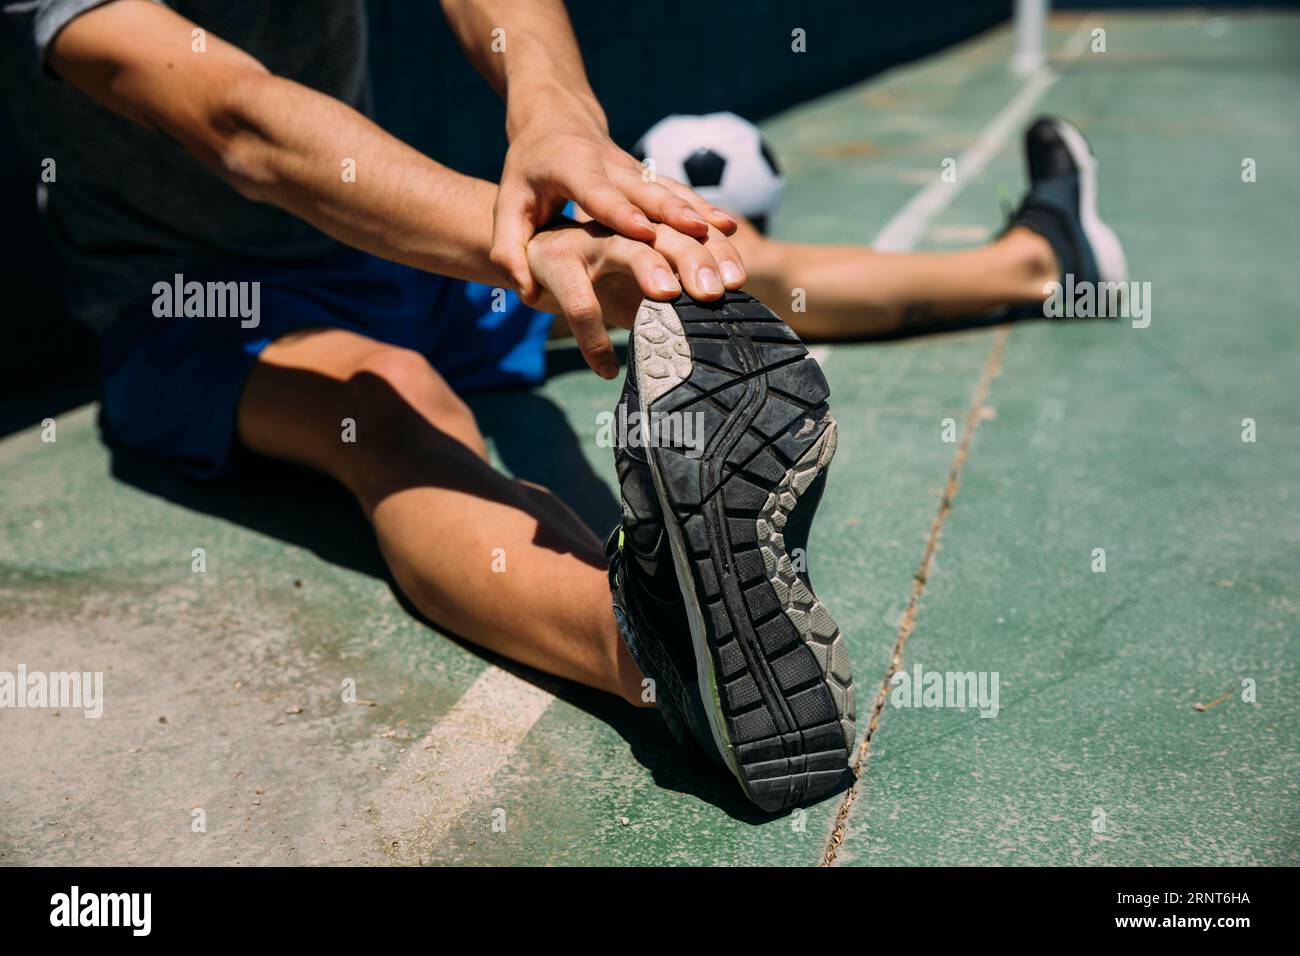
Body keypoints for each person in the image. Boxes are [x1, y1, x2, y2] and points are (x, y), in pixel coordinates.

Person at [2, 0, 1123, 811]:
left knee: (705, 255)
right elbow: (241, 121)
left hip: (396, 259)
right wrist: (529, 247)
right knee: (386, 406)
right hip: (197, 311)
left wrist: (555, 106)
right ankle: (653, 646)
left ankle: (1041, 260)